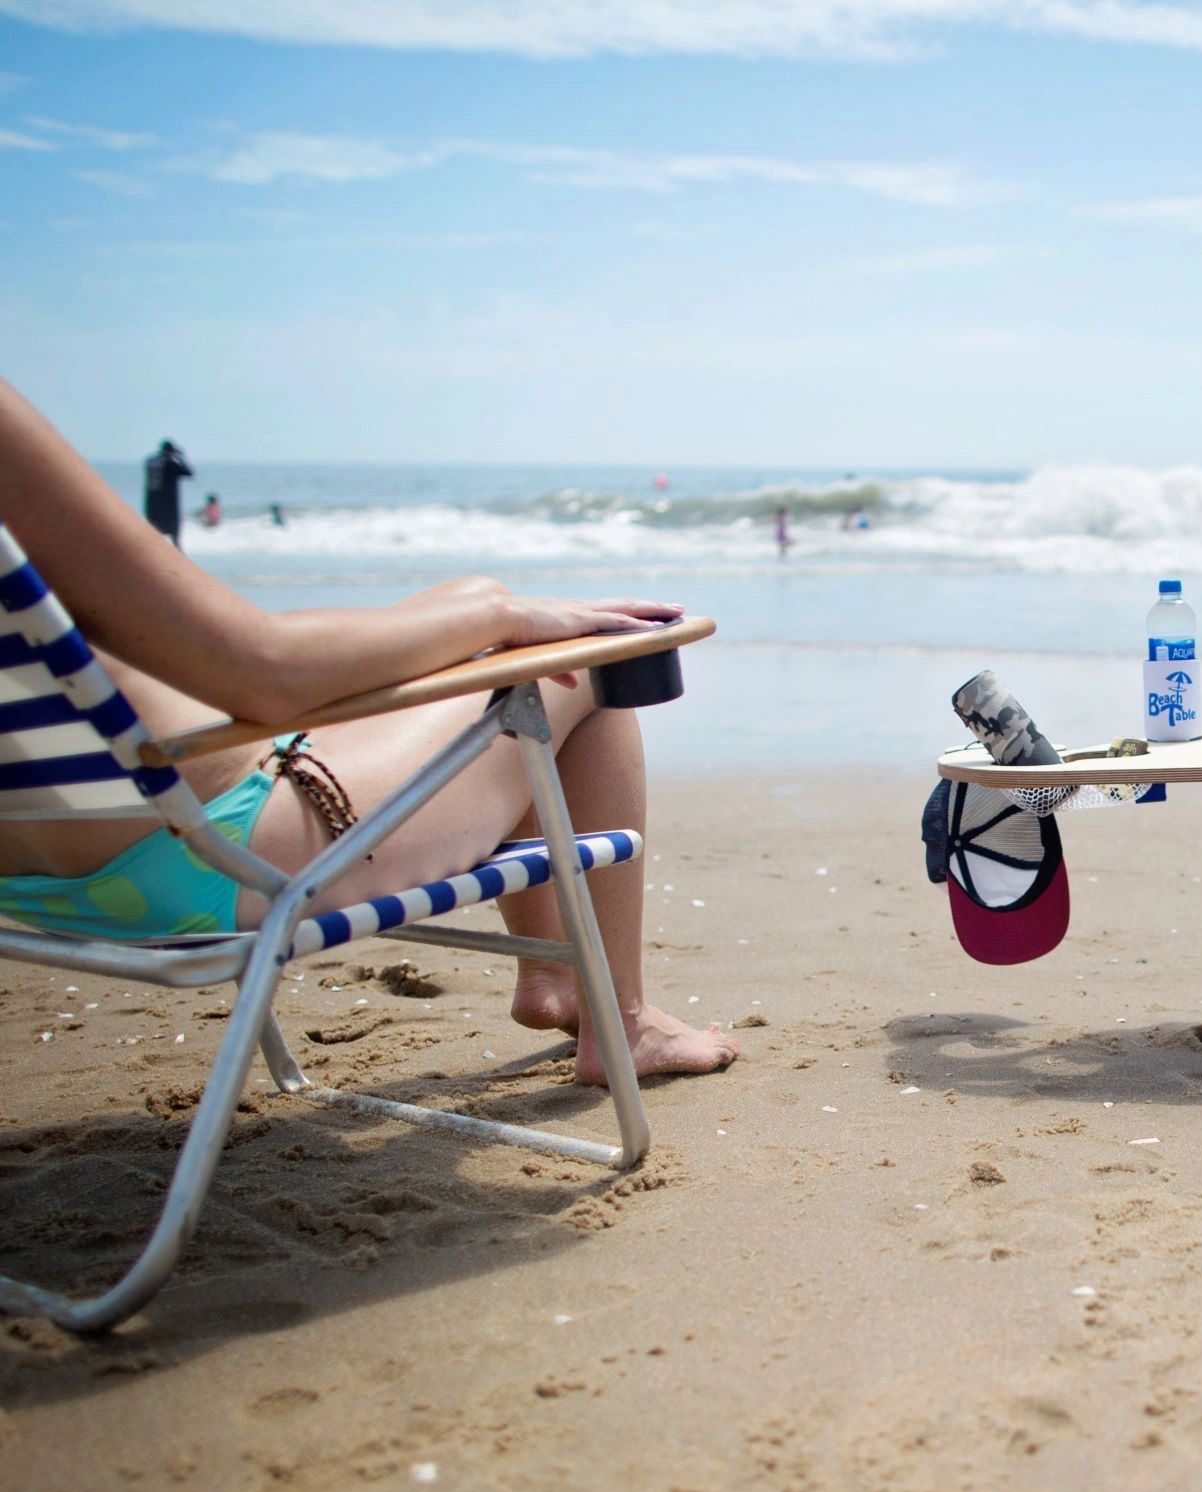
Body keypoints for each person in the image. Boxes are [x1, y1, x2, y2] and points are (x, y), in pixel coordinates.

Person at [0, 378, 738, 1082]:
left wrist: (479, 609)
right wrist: (507, 622)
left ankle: (552, 974)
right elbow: (263, 671)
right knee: (580, 660)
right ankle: (624, 1022)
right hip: (222, 855)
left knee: (469, 602)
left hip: (30, 885)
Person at [143, 439, 191, 548]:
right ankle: (177, 562)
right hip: (169, 506)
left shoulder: (150, 462)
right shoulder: (171, 464)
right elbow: (189, 473)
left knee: (154, 536)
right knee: (175, 538)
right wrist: (181, 458)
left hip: (152, 505)